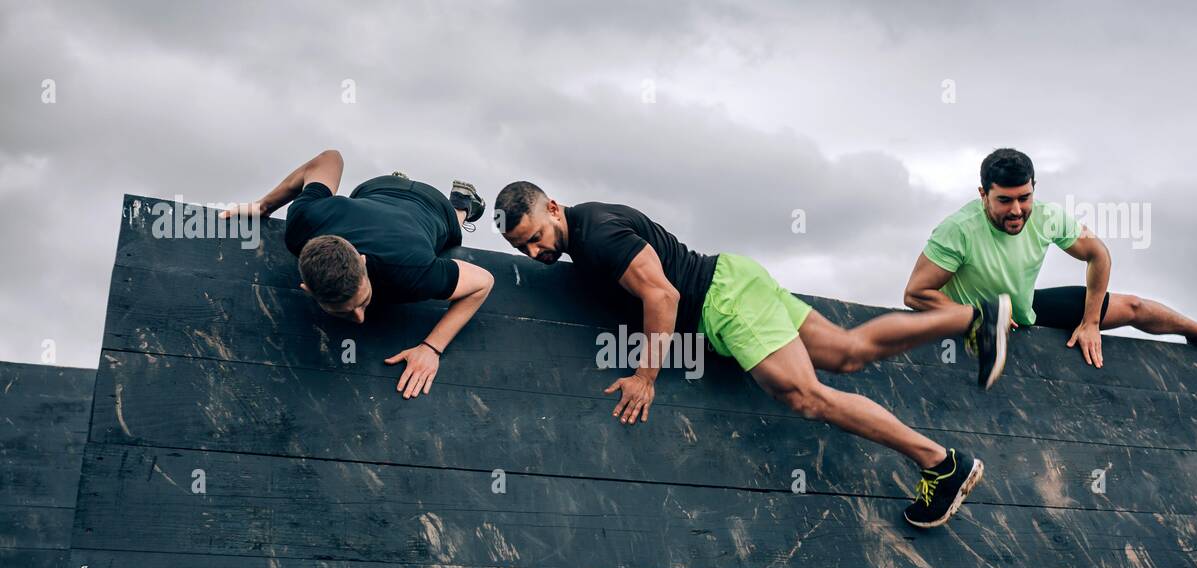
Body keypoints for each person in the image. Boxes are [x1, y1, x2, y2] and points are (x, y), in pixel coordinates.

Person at [494, 181, 1012, 528]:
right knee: (849, 352)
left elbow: (664, 296)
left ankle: (941, 463)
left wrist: (645, 376)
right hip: (737, 280)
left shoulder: (598, 235)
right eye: (524, 249)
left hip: (726, 301)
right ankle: (974, 317)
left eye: (537, 237)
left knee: (807, 397)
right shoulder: (585, 232)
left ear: (554, 208)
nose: (537, 253)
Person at [904, 148, 1197, 368]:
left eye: (1024, 198)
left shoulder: (1045, 216)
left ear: (1033, 189)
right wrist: (976, 317)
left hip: (1024, 311)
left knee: (1133, 306)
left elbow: (1098, 255)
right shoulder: (958, 229)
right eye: (1004, 201)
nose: (1017, 210)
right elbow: (916, 293)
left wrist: (1090, 322)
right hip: (971, 323)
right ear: (983, 194)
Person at [223, 149, 494, 398]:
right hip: (378, 187)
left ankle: (461, 202)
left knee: (450, 234)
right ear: (307, 288)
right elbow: (330, 158)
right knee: (381, 202)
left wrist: (431, 347)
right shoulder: (303, 224)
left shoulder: (412, 270)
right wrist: (263, 207)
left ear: (363, 263)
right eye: (344, 311)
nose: (360, 318)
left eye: (362, 302)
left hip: (434, 207)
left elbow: (483, 282)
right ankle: (398, 181)